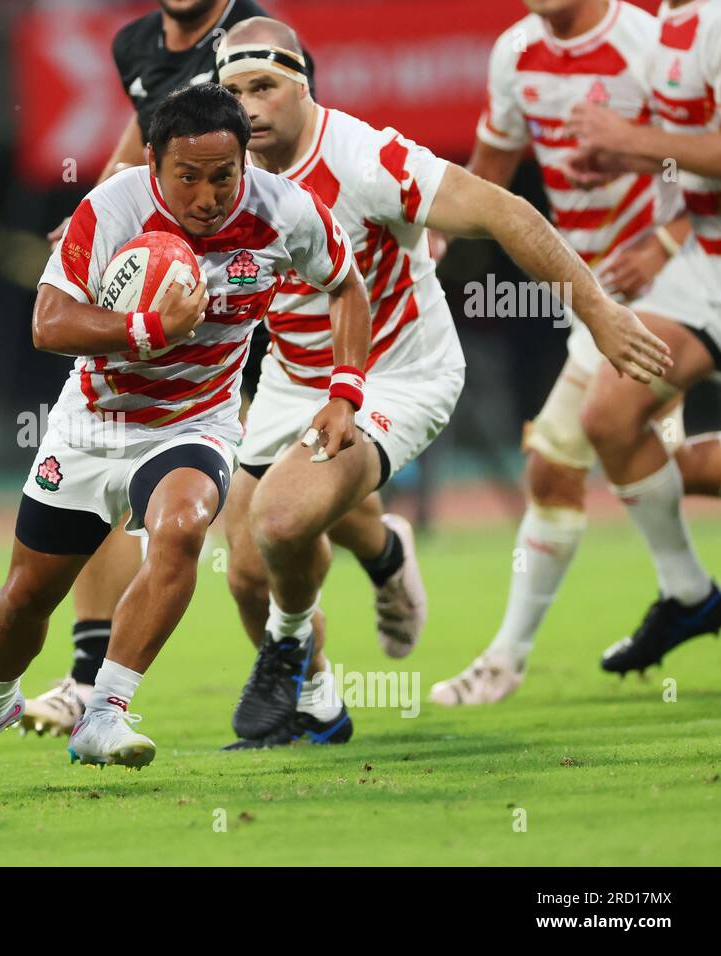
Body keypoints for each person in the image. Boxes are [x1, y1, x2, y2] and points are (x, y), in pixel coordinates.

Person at [214, 16, 672, 743]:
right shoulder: (223, 172)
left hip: (398, 373)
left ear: (302, 86)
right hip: (293, 378)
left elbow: (505, 209)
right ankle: (323, 697)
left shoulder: (368, 158)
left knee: (280, 520)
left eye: (264, 86)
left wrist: (597, 309)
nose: (249, 108)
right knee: (242, 573)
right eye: (233, 92)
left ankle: (287, 647)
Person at [0, 83, 369, 787]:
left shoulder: (283, 212)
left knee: (183, 528)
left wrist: (345, 391)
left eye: (224, 176)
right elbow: (48, 324)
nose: (208, 196)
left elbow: (345, 282)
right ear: (153, 162)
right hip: (93, 422)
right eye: (188, 176)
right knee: (27, 596)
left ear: (246, 163)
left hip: (197, 421)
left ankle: (105, 712)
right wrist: (146, 329)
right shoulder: (113, 207)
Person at [25, 0, 318, 737]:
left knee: (286, 512)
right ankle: (90, 678)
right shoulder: (135, 45)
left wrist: (266, 212)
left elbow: (290, 124)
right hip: (170, 299)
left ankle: (374, 570)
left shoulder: (252, 29)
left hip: (257, 296)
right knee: (132, 491)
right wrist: (102, 201)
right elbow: (140, 135)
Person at [429, 0, 714, 705]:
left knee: (597, 433)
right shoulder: (515, 54)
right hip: (598, 296)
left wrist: (665, 236)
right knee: (567, 461)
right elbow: (491, 168)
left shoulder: (650, 43)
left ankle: (681, 594)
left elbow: (688, 158)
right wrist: (430, 237)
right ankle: (515, 657)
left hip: (673, 274)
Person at [567, 0, 721, 673]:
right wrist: (626, 161)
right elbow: (687, 156)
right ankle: (688, 592)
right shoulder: (669, 22)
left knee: (681, 457)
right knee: (610, 414)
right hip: (706, 262)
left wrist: (631, 142)